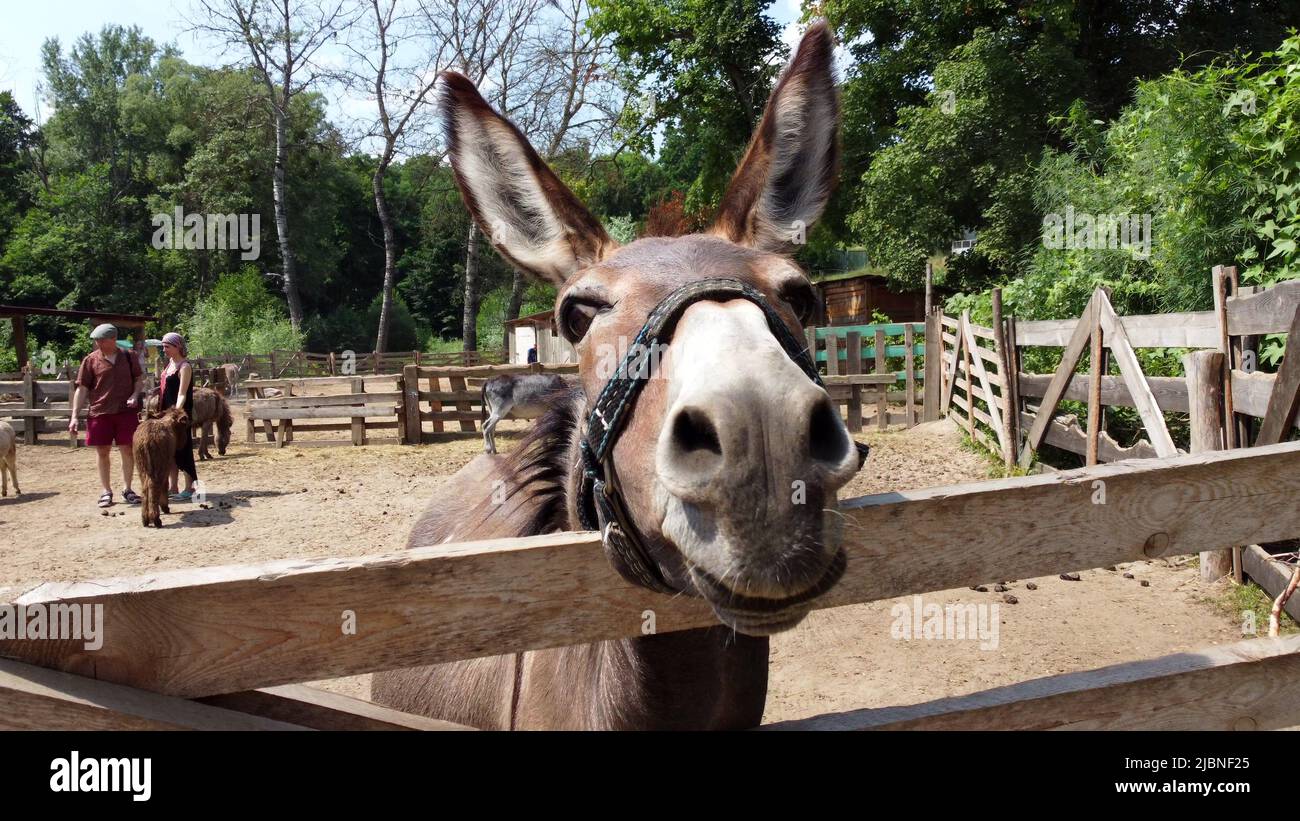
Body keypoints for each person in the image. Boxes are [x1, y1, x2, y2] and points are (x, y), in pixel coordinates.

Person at [69, 324, 144, 508]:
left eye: (101, 340)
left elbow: (139, 379)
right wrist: (74, 416)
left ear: (113, 339)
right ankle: (106, 490)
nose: (98, 343)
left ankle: (128, 489)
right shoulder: (90, 360)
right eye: (96, 340)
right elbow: (82, 388)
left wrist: (135, 395)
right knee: (102, 451)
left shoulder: (129, 356)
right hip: (99, 412)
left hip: (125, 412)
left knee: (127, 449)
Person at [158, 332, 198, 502]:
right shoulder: (169, 365)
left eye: (167, 346)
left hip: (179, 415)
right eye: (163, 346)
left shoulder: (184, 367)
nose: (164, 349)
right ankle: (173, 487)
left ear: (178, 347)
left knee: (184, 449)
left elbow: (182, 394)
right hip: (166, 413)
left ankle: (191, 489)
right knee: (170, 451)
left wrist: (175, 414)